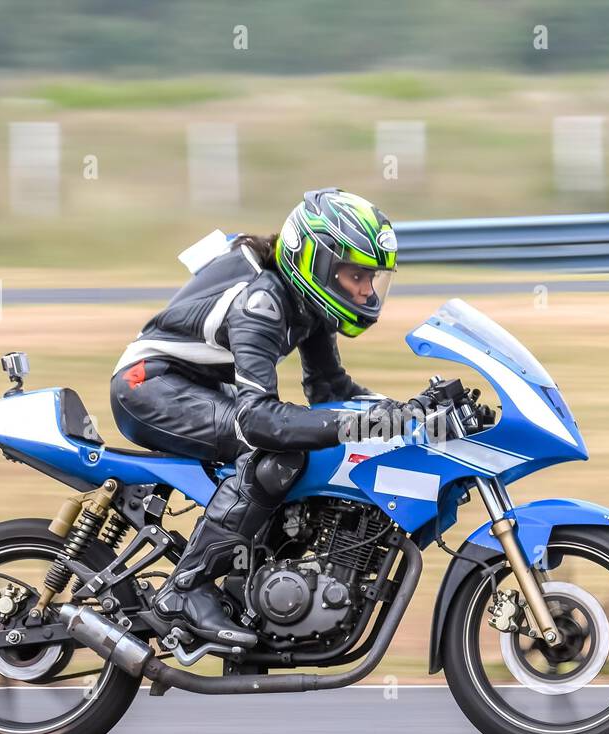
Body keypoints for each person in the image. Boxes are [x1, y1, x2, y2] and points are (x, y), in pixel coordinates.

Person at [110, 188, 404, 646]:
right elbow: (259, 421)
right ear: (315, 261)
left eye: (373, 279)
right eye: (357, 276)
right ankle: (185, 590)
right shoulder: (261, 303)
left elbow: (330, 392)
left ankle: (256, 582)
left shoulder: (307, 303)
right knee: (279, 453)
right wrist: (363, 425)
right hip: (148, 386)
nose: (367, 291)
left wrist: (408, 414)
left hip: (196, 385)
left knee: (301, 447)